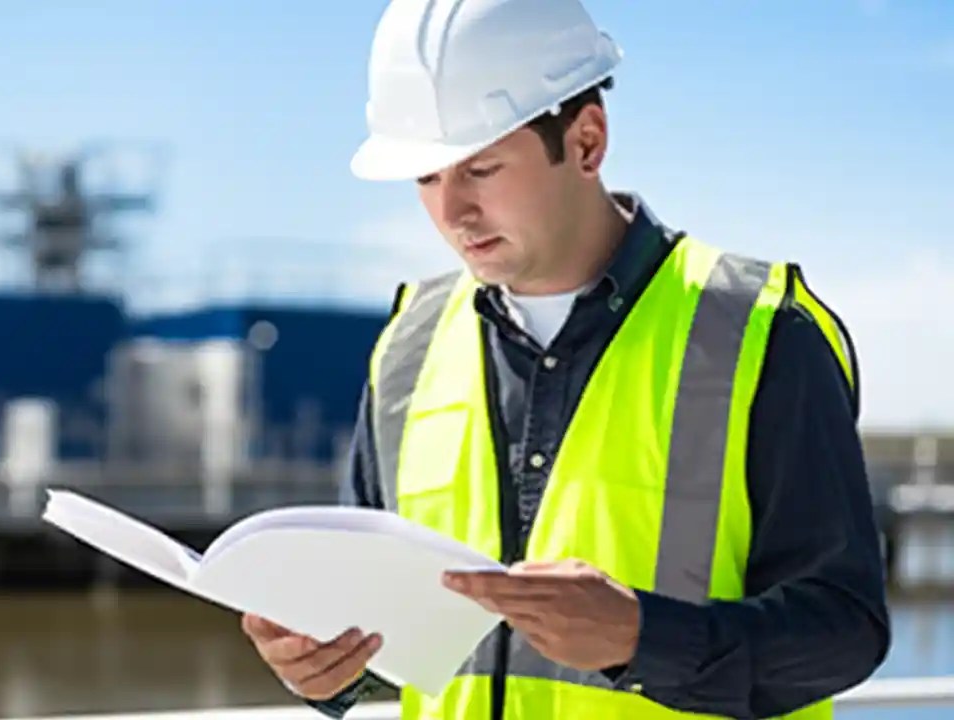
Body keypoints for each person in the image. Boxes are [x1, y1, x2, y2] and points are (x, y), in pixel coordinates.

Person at [241, 0, 891, 718]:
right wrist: (326, 673)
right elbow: (374, 630)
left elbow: (844, 631)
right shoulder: (407, 347)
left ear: (586, 142)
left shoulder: (762, 333)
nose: (452, 212)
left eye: (480, 169)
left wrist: (642, 638)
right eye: (426, 179)